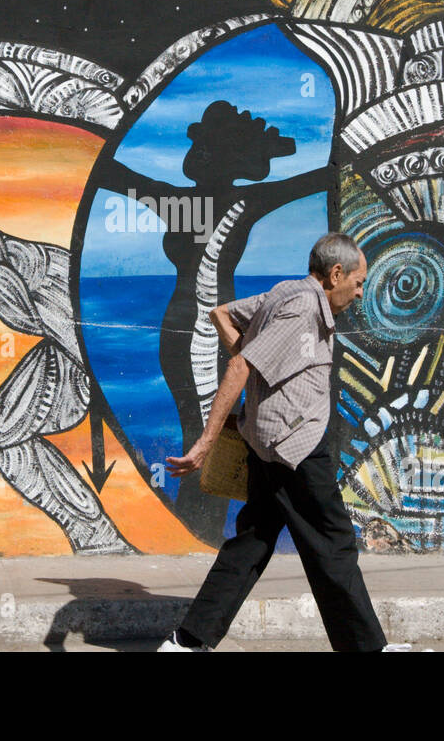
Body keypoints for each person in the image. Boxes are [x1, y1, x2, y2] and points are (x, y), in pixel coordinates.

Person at [159, 232, 409, 652]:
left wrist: (257, 362)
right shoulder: (300, 308)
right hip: (297, 448)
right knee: (334, 544)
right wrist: (206, 442)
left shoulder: (283, 292)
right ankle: (367, 649)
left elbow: (223, 313)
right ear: (335, 274)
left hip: (268, 444)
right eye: (358, 281)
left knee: (252, 542)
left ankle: (186, 642)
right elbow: (241, 364)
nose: (361, 292)